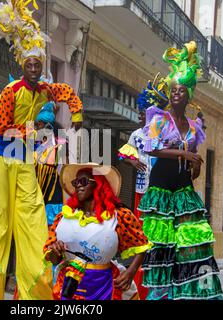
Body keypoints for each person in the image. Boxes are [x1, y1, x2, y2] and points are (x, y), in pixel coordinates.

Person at [0, 0, 83, 300]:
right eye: (28, 64)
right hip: (3, 156)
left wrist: (76, 114)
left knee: (33, 220)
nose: (32, 69)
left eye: (37, 64)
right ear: (21, 65)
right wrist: (34, 130)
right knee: (0, 226)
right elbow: (2, 128)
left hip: (23, 158)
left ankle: (33, 295)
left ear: (42, 66)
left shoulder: (44, 89)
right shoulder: (9, 92)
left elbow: (66, 93)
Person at [137, 41, 223, 300]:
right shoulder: (158, 119)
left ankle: (190, 293)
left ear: (189, 95)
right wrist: (184, 153)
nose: (176, 94)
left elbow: (193, 173)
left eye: (181, 91)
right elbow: (152, 149)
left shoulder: (195, 127)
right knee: (160, 247)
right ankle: (160, 296)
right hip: (161, 190)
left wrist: (194, 165)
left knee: (192, 244)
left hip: (185, 191)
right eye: (173, 90)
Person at [43, 163, 152, 300]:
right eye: (75, 182)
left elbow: (142, 246)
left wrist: (130, 272)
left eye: (83, 181)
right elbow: (54, 260)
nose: (78, 185)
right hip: (68, 286)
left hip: (103, 286)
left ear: (98, 184)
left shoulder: (119, 216)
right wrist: (55, 251)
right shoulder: (63, 217)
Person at [117, 78, 168, 300]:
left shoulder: (164, 134)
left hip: (159, 190)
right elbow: (123, 153)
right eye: (139, 112)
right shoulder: (137, 135)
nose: (139, 115)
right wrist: (133, 161)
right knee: (141, 230)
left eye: (142, 112)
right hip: (141, 189)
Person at [35, 102, 66, 227]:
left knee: (50, 231)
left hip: (53, 195)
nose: (36, 128)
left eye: (38, 125)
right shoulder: (37, 144)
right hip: (39, 195)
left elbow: (61, 167)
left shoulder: (59, 144)